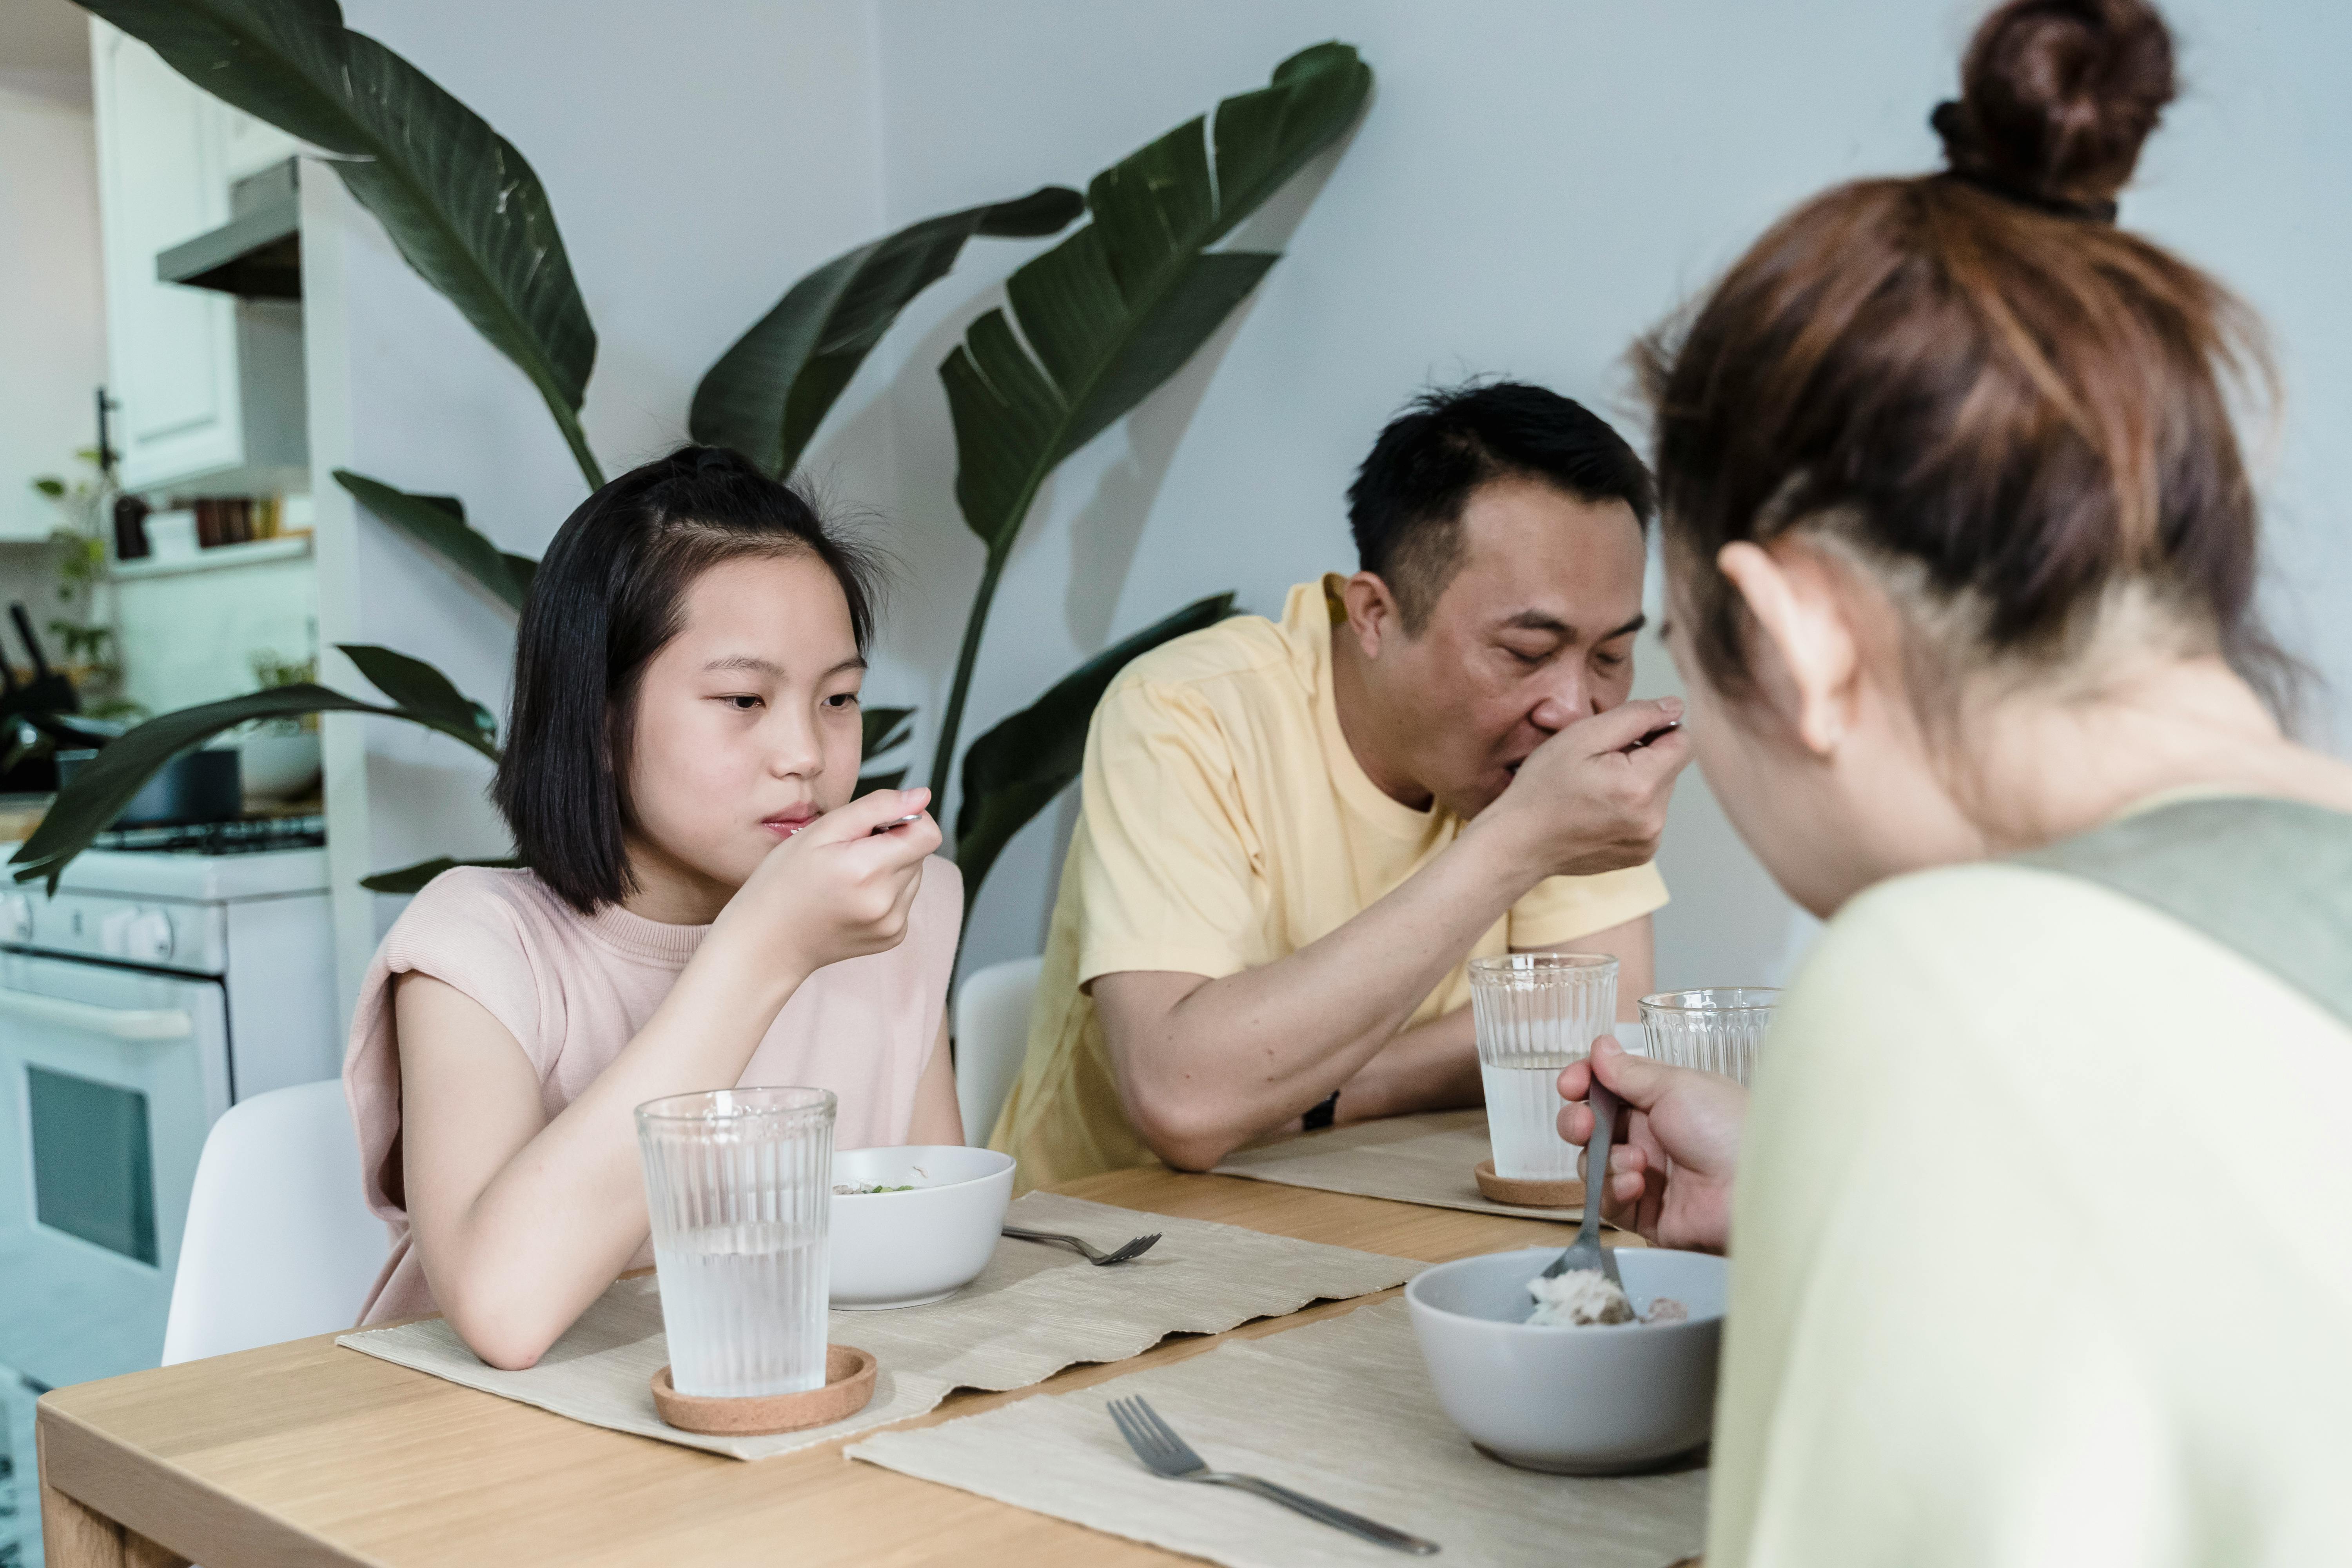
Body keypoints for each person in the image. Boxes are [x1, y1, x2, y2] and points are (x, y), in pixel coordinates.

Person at [1555, 2, 2352, 1560]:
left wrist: (1892, 1112)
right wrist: (1823, 1178)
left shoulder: (1936, 980)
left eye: (1677, 646)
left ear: (1801, 638)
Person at [342, 447, 959, 1368]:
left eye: (839, 697)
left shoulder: (899, 907)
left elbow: (927, 1247)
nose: (805, 751)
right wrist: (766, 948)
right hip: (481, 1441)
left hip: (780, 1416)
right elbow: (504, 1312)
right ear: (599, 717)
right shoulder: (477, 945)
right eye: (743, 698)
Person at [991, 381, 1691, 1190]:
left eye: (1611, 656)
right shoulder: (1188, 710)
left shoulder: (1550, 748)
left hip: (1378, 1201)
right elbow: (1183, 1097)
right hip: (1107, 1232)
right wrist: (1519, 842)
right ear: (1373, 615)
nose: (1573, 708)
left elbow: (1599, 1031)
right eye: (1527, 652)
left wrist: (1323, 1091)